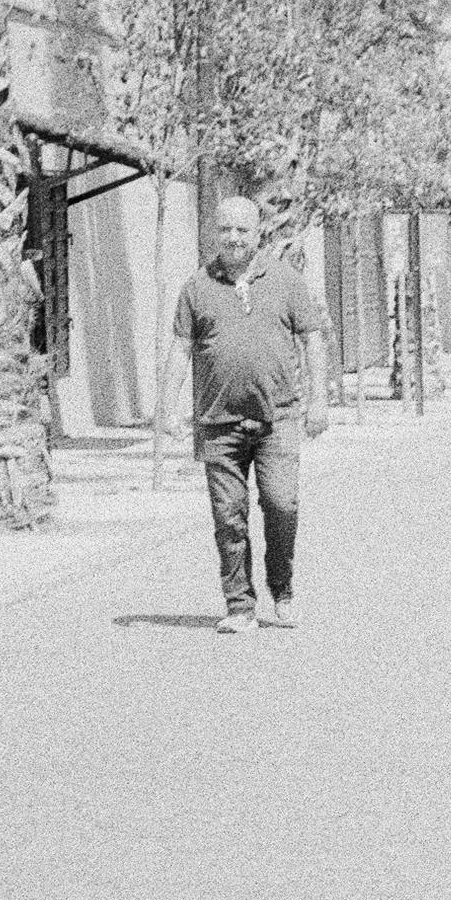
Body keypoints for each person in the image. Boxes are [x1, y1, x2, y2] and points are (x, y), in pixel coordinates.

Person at [155, 195, 334, 635]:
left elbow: (313, 340)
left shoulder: (287, 280)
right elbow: (180, 348)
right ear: (215, 233)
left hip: (279, 418)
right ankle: (239, 606)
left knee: (281, 504)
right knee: (228, 516)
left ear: (258, 234)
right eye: (225, 230)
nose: (233, 238)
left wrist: (319, 400)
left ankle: (282, 588)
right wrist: (167, 407)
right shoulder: (197, 287)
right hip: (218, 423)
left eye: (242, 230)